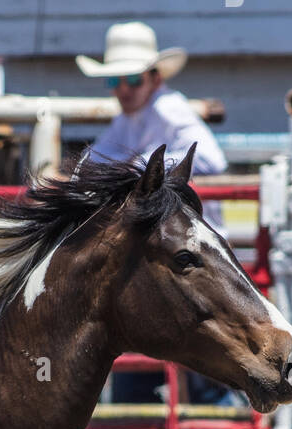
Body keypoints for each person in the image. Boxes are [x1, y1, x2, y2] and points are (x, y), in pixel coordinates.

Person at [77, 21, 234, 406]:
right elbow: (89, 167)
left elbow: (213, 159)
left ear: (153, 77)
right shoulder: (130, 119)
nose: (124, 90)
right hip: (158, 258)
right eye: (115, 81)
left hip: (191, 256)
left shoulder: (169, 108)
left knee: (205, 359)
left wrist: (141, 173)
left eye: (131, 78)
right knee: (165, 355)